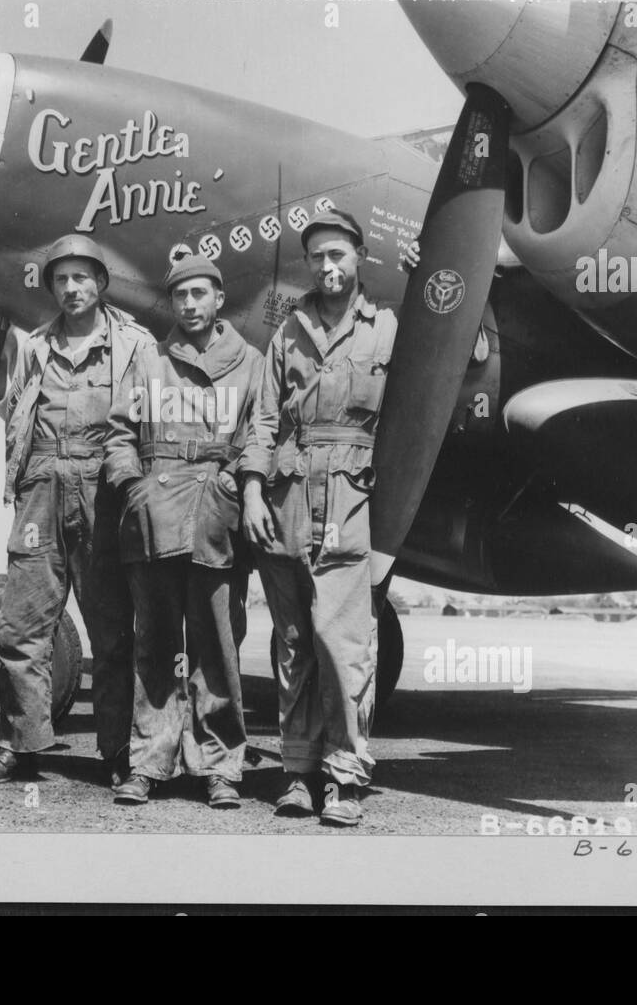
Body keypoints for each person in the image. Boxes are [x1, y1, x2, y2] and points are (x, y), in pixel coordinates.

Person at [0, 235, 153, 786]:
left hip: (104, 487)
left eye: (81, 277)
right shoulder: (34, 346)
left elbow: (149, 423)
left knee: (113, 630)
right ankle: (20, 746)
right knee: (21, 627)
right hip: (42, 487)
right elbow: (19, 416)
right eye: (61, 279)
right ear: (51, 287)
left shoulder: (136, 347)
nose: (71, 288)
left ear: (100, 282)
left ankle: (118, 752)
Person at [239, 208, 397, 826]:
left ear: (359, 257)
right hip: (286, 496)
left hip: (351, 496)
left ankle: (345, 778)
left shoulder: (386, 329)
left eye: (338, 255)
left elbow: (426, 391)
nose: (328, 267)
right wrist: (252, 491)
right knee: (293, 643)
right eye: (317, 257)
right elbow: (264, 420)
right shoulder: (288, 331)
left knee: (342, 642)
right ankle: (298, 774)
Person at [104, 254, 263, 809]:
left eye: (201, 293)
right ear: (171, 302)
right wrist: (133, 487)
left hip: (216, 515)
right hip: (155, 514)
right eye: (181, 296)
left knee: (216, 647)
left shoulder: (250, 363)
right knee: (156, 645)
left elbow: (259, 434)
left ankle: (220, 766)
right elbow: (118, 432)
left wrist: (233, 487)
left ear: (219, 298)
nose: (190, 305)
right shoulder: (150, 361)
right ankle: (149, 762)